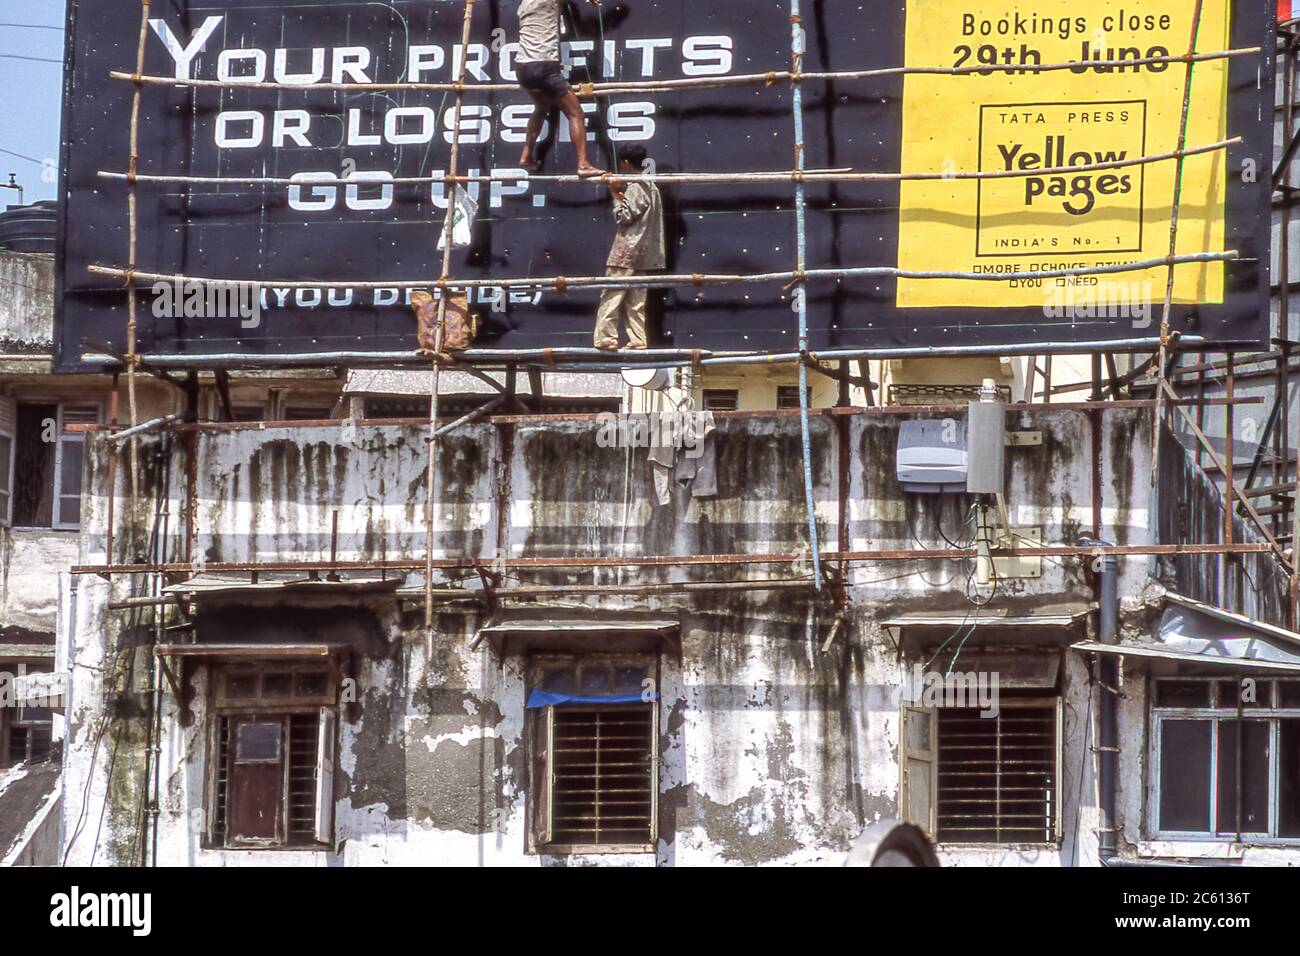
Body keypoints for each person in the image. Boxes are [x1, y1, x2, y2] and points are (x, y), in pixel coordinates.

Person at [515, 0, 604, 178]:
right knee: (575, 113)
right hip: (544, 66)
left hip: (522, 67)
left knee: (541, 109)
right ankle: (583, 164)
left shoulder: (524, 5)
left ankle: (526, 155)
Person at [595, 144, 664, 351]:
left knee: (612, 295)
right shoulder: (652, 187)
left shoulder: (636, 187)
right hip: (644, 253)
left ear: (625, 163)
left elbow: (623, 217)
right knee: (636, 300)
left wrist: (616, 195)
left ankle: (606, 338)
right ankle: (638, 339)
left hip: (626, 251)